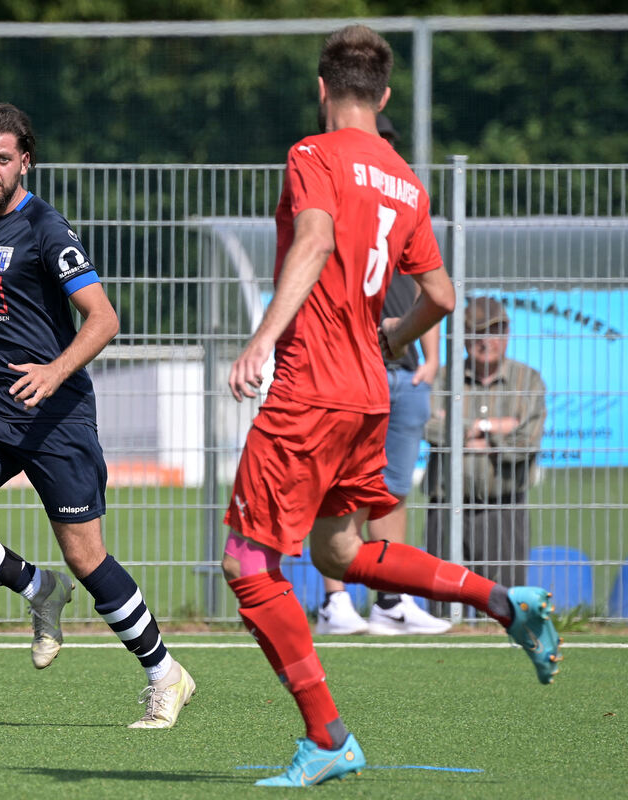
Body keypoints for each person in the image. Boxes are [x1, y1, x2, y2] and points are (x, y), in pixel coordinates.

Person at [220, 25, 561, 787]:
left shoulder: (313, 154)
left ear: (321, 88)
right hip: (369, 394)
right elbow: (441, 296)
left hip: (309, 387)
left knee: (247, 560)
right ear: (383, 95)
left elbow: (311, 240)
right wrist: (392, 336)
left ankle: (329, 735)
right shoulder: (407, 180)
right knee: (340, 553)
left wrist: (263, 339)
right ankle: (503, 602)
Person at [0, 102, 194, 729]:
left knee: (89, 558)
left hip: (55, 414)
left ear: (24, 160)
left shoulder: (46, 227)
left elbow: (104, 318)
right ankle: (38, 589)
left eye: (3, 158)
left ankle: (164, 674)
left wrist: (55, 371)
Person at [316, 113, 451, 636]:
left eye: (388, 145)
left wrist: (432, 359)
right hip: (350, 370)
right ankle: (335, 604)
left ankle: (391, 601)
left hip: (403, 372)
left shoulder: (406, 205)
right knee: (334, 486)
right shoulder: (331, 204)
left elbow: (431, 289)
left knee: (391, 491)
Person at [424, 296, 547, 595]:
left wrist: (473, 430)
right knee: (441, 602)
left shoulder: (527, 380)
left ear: (507, 334)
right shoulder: (442, 378)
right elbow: (428, 427)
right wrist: (494, 426)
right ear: (464, 336)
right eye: (477, 332)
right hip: (446, 506)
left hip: (504, 506)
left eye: (495, 331)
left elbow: (526, 443)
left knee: (505, 604)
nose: (486, 341)